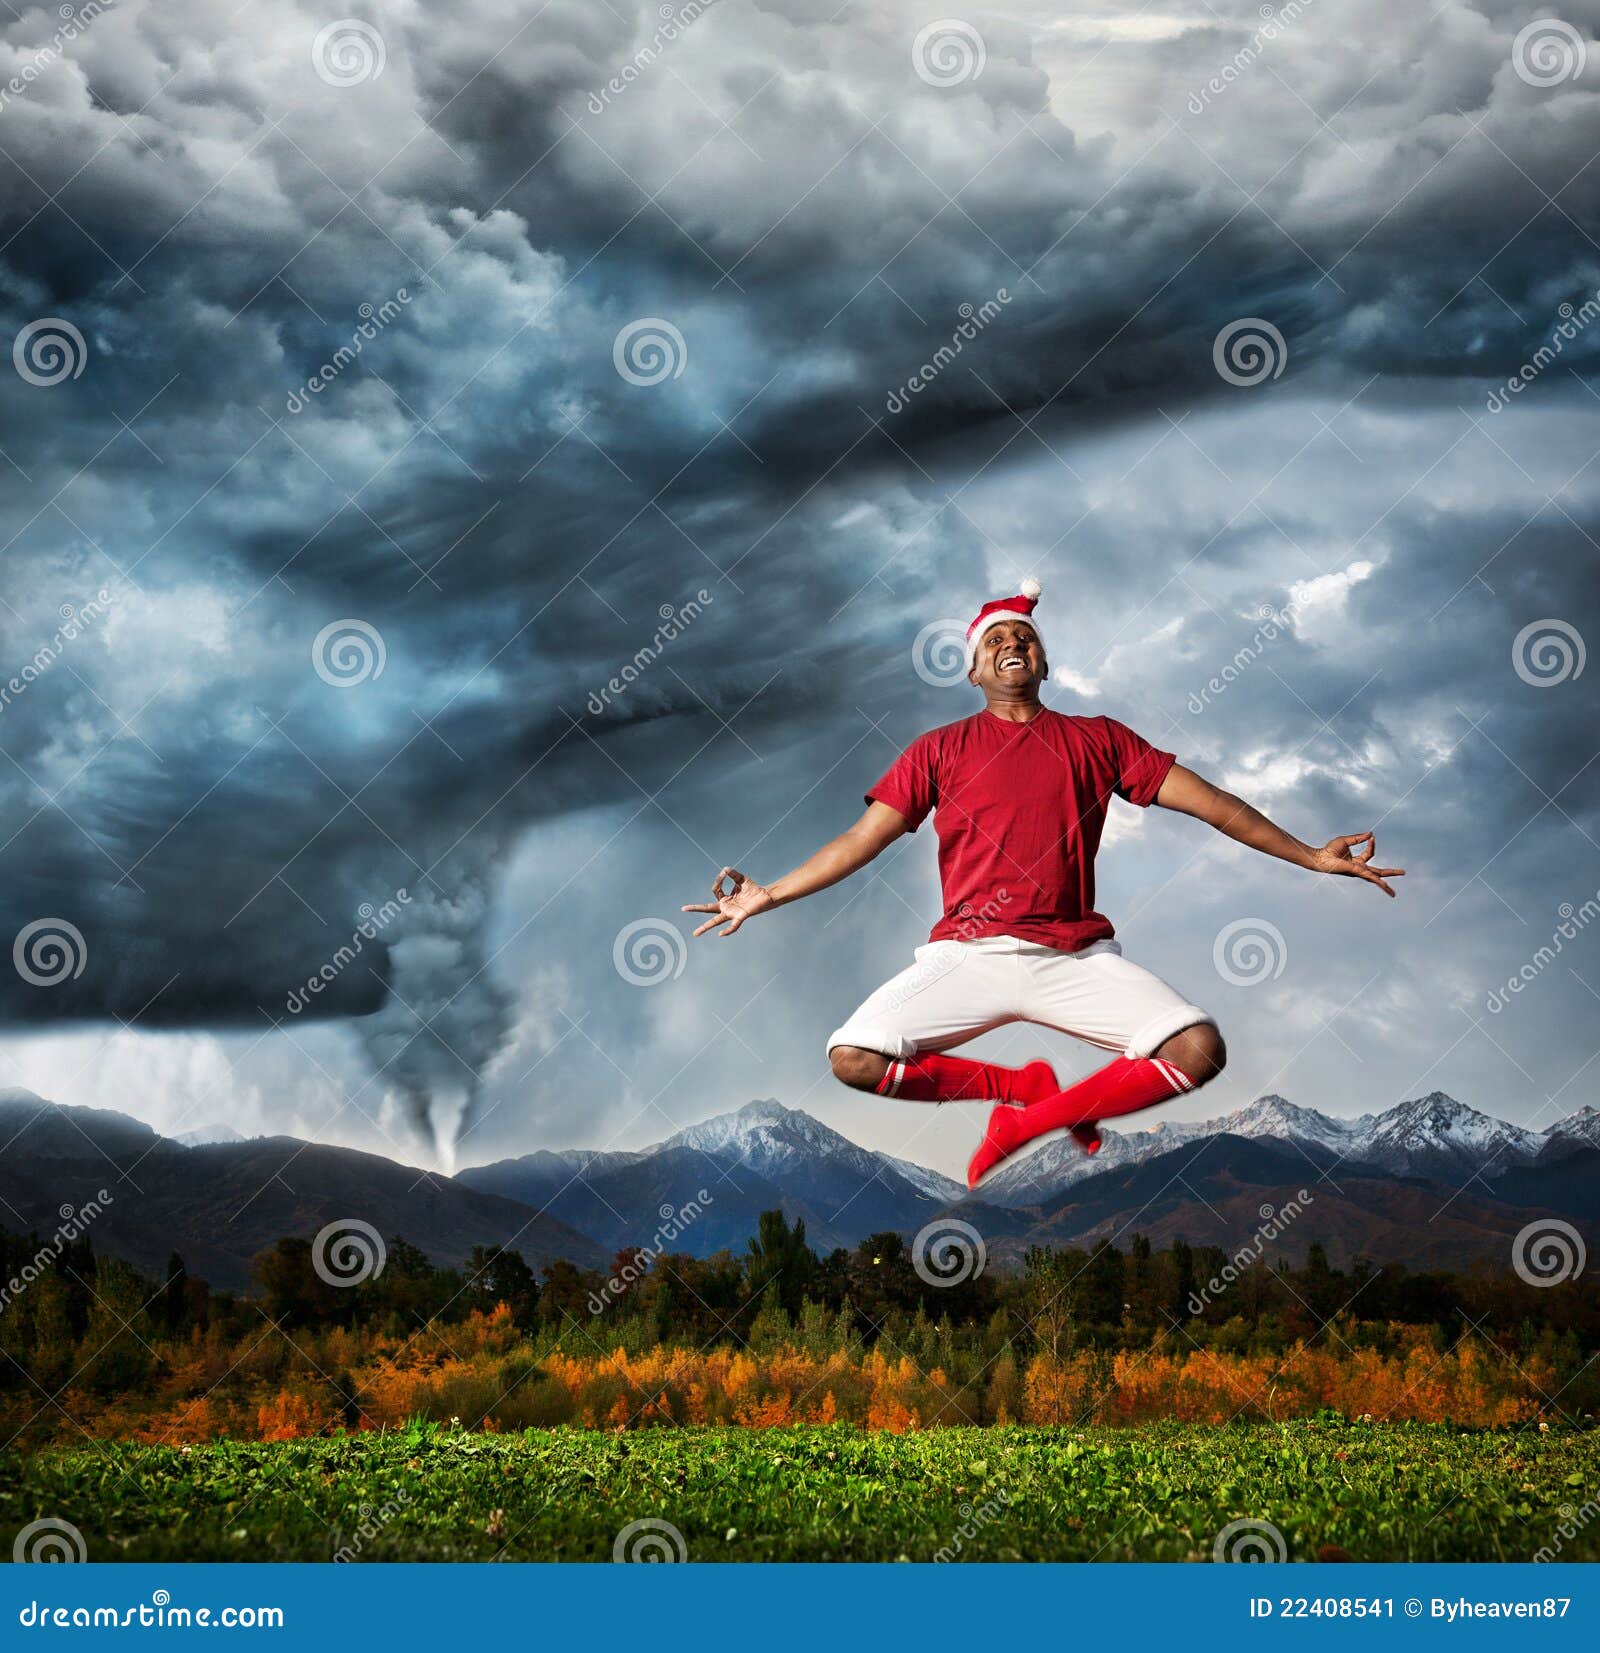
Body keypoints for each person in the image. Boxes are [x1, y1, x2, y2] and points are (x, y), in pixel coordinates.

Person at [682, 580, 1403, 1190]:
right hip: (966, 956)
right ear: (973, 671)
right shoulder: (938, 750)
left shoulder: (1099, 739)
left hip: (1073, 957)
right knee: (852, 1057)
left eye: (1021, 635)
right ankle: (1015, 1086)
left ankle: (1031, 1120)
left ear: (1044, 658)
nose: (1009, 645)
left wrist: (1310, 855)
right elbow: (858, 841)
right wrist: (768, 893)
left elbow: (1213, 802)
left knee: (1199, 1048)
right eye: (993, 640)